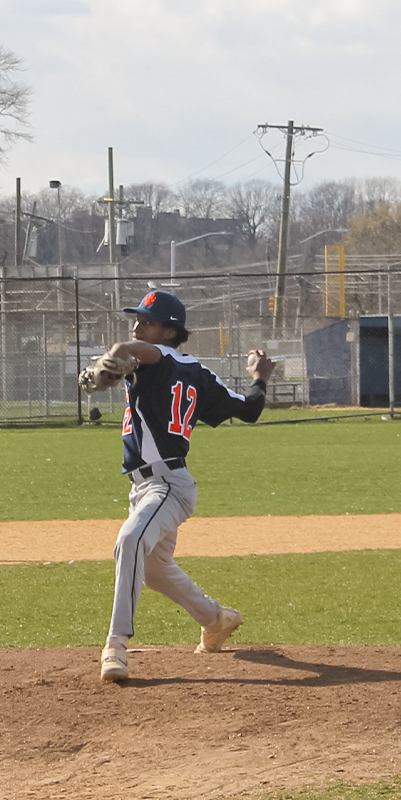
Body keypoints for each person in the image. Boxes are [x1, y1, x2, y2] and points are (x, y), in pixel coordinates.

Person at [81, 290, 276, 682]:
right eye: (136, 319)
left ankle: (116, 645)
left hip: (167, 485)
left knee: (130, 541)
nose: (138, 326)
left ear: (170, 331)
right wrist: (260, 378)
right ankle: (216, 619)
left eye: (147, 321)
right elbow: (250, 410)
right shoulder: (199, 374)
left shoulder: (158, 356)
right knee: (153, 570)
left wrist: (111, 361)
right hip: (149, 488)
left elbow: (127, 348)